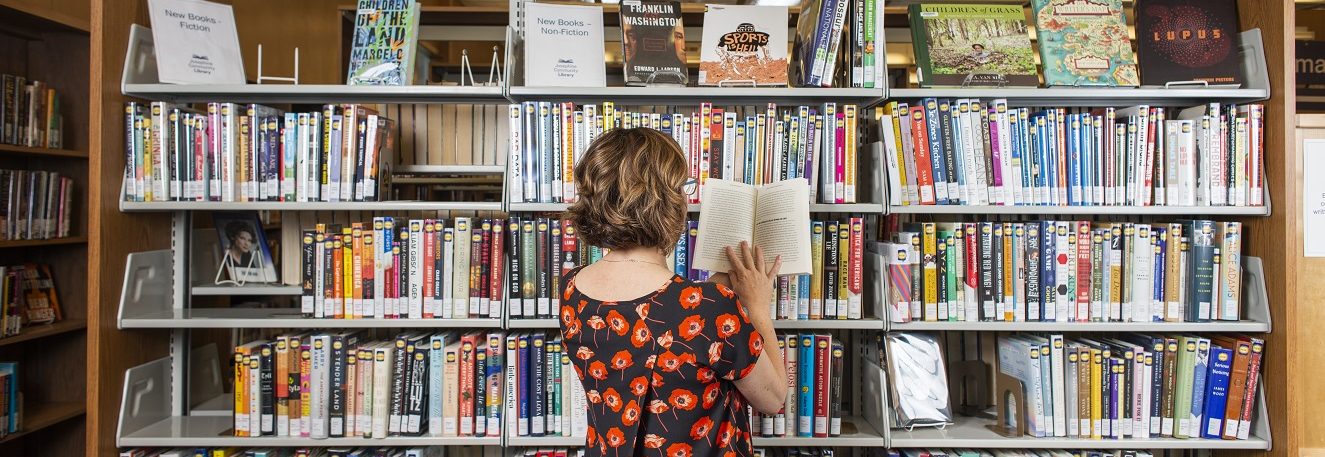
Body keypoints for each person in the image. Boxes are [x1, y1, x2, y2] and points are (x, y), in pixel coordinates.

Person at [561, 127, 787, 457]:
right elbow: (773, 398)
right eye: (681, 188)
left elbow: (657, 321)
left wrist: (713, 293)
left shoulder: (572, 290)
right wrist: (756, 306)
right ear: (666, 202)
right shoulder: (712, 307)